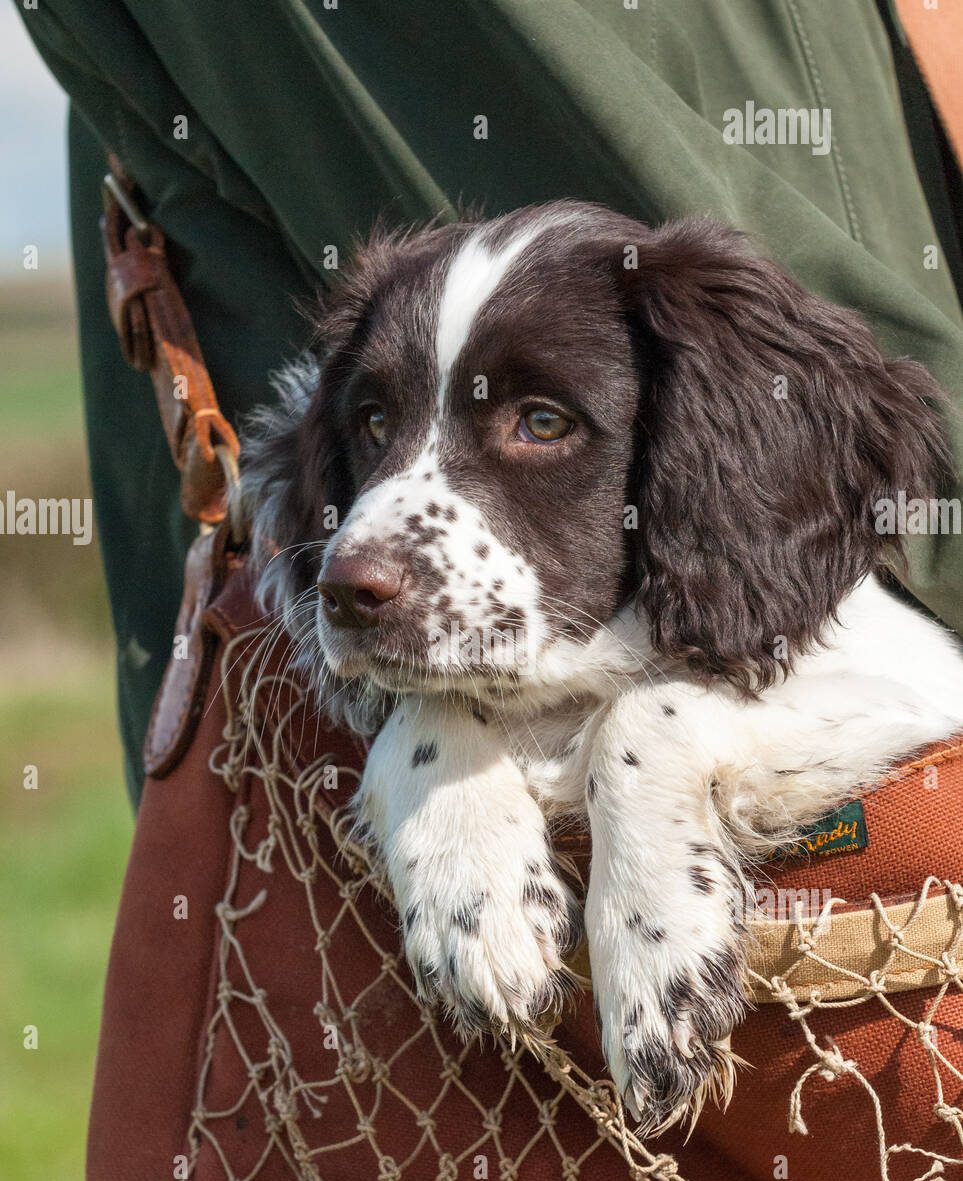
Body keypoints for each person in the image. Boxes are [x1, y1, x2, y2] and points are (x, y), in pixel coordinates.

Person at [18, 0, 963, 805]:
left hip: (838, 667)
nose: (359, 553)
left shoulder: (709, 362)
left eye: (537, 421)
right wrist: (429, 748)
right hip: (326, 776)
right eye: (375, 427)